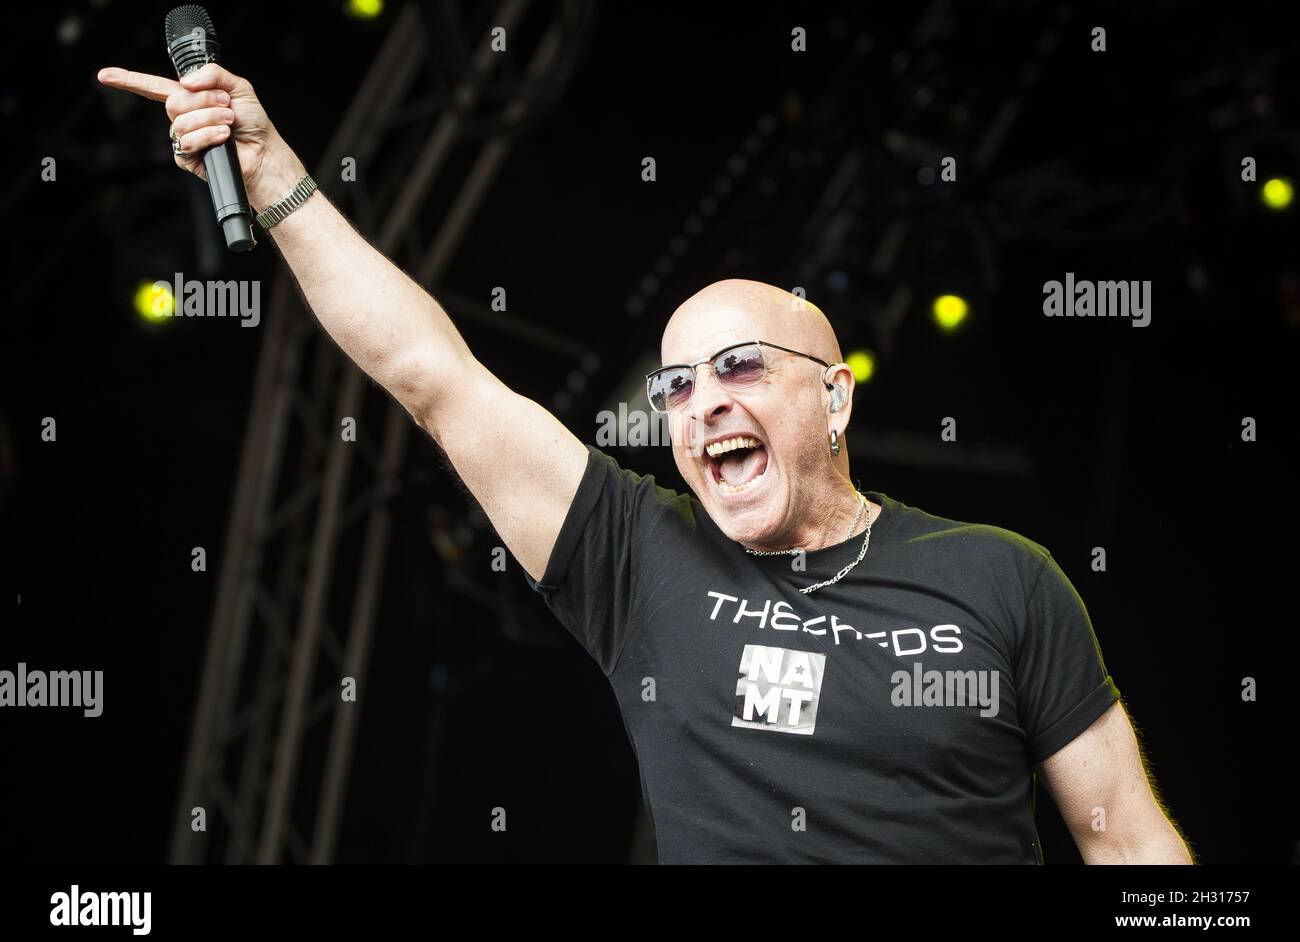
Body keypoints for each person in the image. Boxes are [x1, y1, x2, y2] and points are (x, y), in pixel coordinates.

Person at [97, 62, 1194, 864]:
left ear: (836, 391)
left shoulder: (1003, 577)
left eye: (741, 368)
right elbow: (430, 372)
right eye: (677, 385)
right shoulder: (638, 555)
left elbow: (1132, 847)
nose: (702, 399)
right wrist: (276, 172)